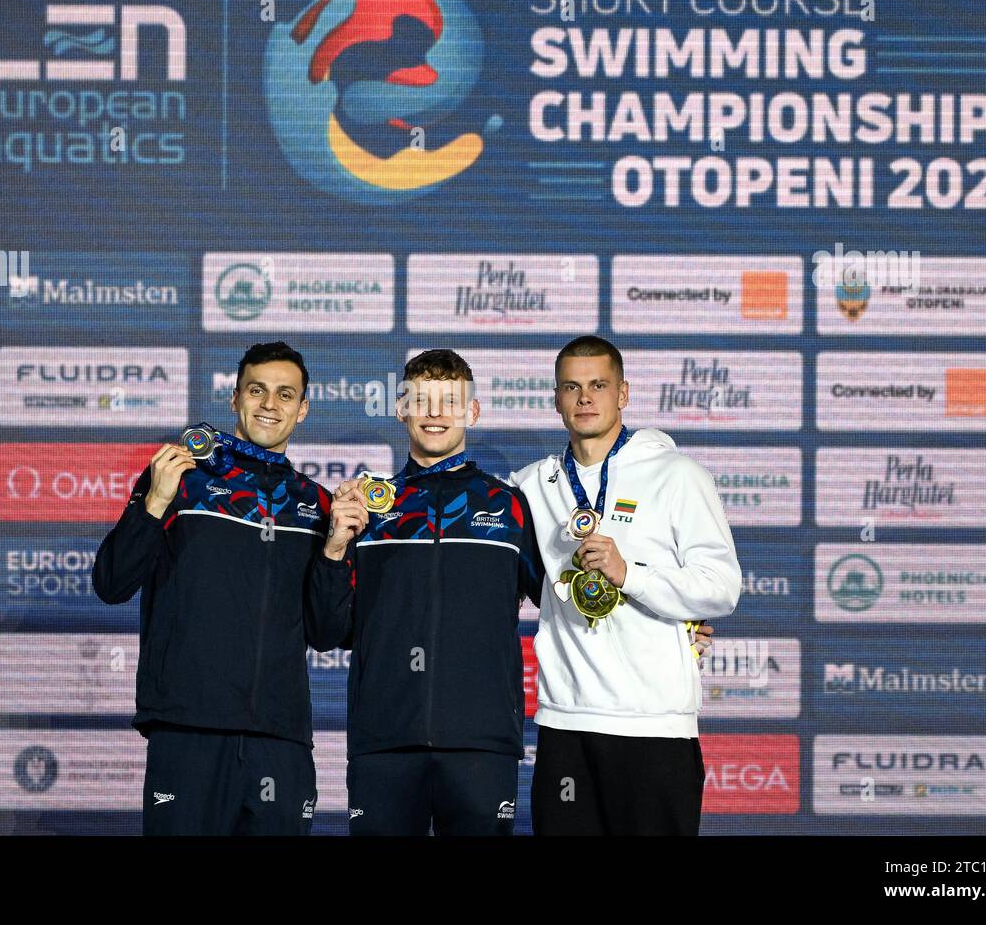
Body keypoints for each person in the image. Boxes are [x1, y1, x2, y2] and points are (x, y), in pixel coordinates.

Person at [92, 341, 338, 835]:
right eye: (257, 390)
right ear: (235, 399)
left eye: (285, 394)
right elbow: (112, 583)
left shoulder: (317, 505)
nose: (270, 404)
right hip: (189, 730)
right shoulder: (182, 480)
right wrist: (153, 505)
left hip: (280, 737)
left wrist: (334, 555)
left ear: (303, 408)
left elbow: (327, 630)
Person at [508, 335, 741, 835]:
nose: (585, 398)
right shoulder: (531, 485)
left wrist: (630, 574)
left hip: (654, 725)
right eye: (571, 387)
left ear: (624, 393)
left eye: (598, 385)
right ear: (556, 399)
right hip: (566, 721)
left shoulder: (677, 476)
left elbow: (721, 586)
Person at [310, 349, 545, 835]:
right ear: (401, 409)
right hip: (385, 743)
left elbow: (563, 603)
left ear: (472, 412)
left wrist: (669, 628)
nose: (435, 413)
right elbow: (328, 629)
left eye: (450, 401)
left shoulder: (510, 507)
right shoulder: (369, 511)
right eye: (422, 400)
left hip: (482, 744)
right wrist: (334, 548)